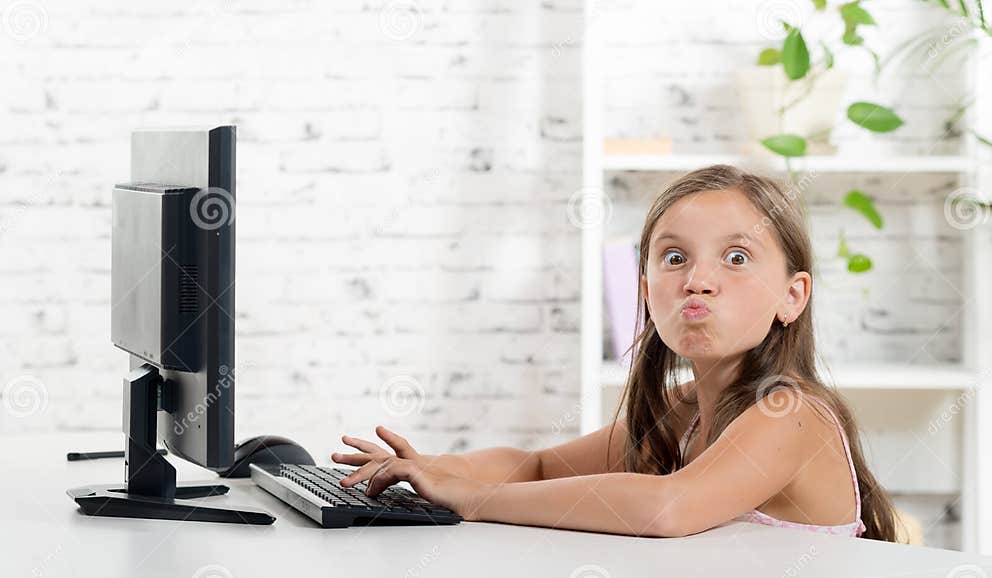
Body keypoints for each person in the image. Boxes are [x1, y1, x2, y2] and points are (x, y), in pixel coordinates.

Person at [332, 164, 901, 540]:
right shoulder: (684, 410)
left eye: (736, 258)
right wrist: (428, 469)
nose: (699, 280)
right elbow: (538, 467)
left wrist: (474, 499)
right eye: (674, 258)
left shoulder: (790, 413)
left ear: (792, 296)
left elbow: (668, 506)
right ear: (648, 290)